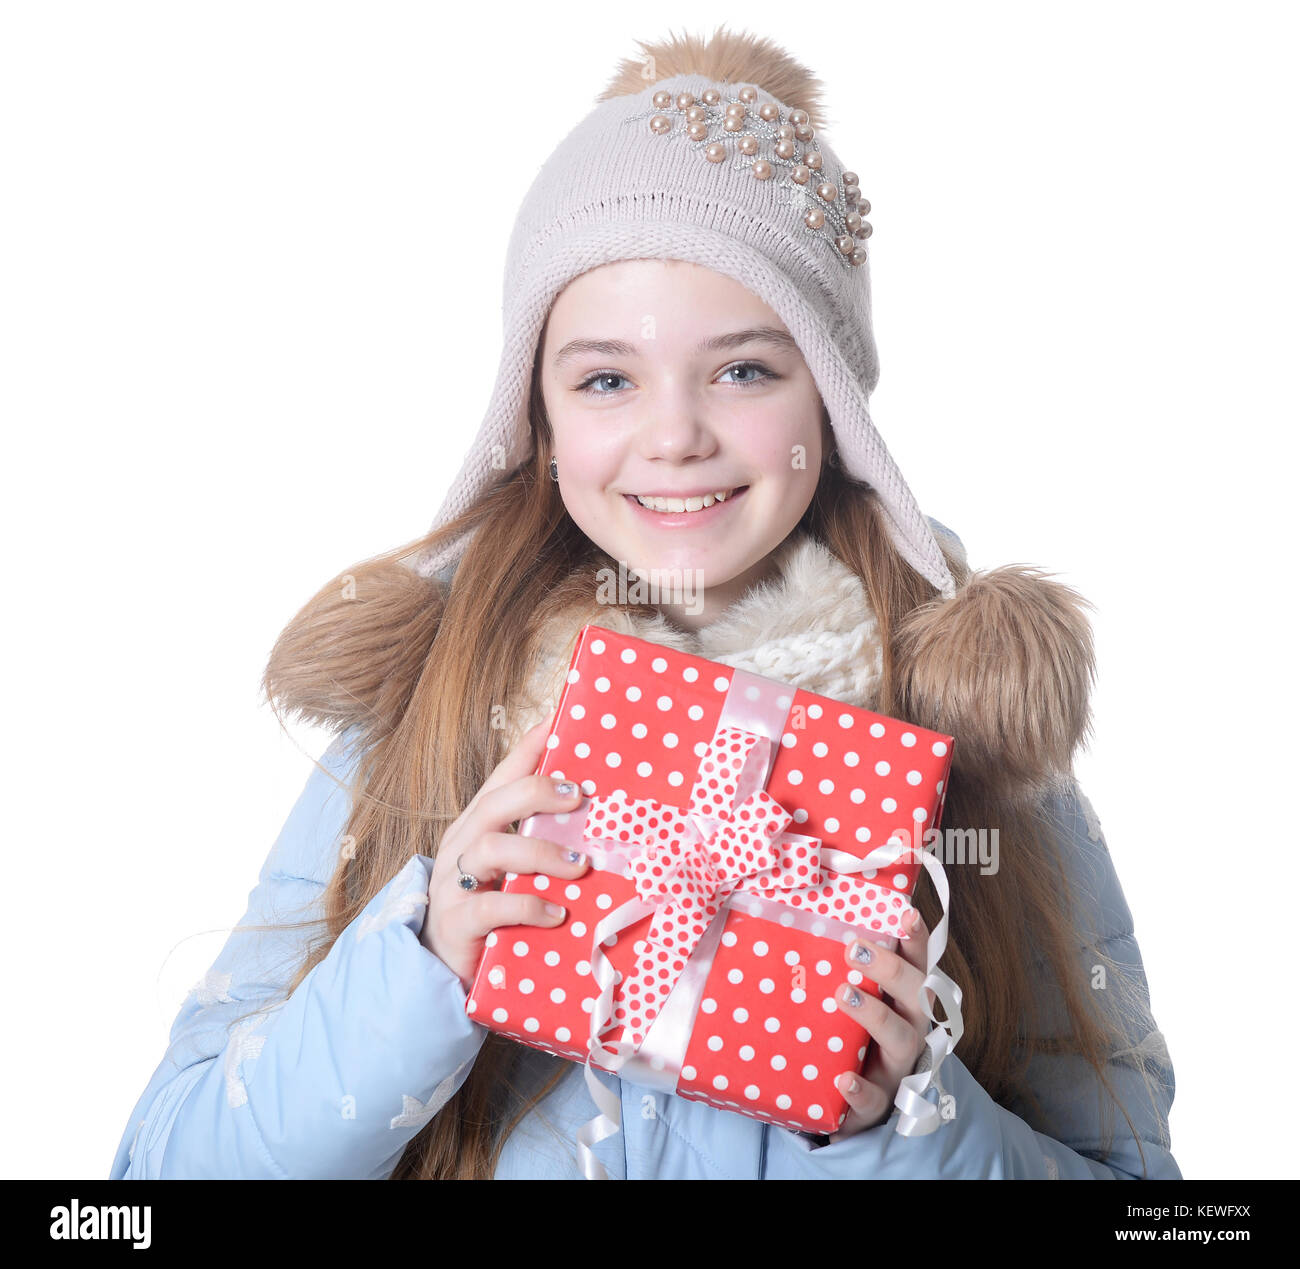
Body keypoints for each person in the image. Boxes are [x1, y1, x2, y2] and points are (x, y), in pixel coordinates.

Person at [109, 26, 1180, 1181]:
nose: (673, 436)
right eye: (607, 378)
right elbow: (158, 1178)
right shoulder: (428, 691)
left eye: (745, 369)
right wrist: (420, 963)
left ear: (830, 400)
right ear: (539, 415)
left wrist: (903, 1131)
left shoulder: (971, 714)